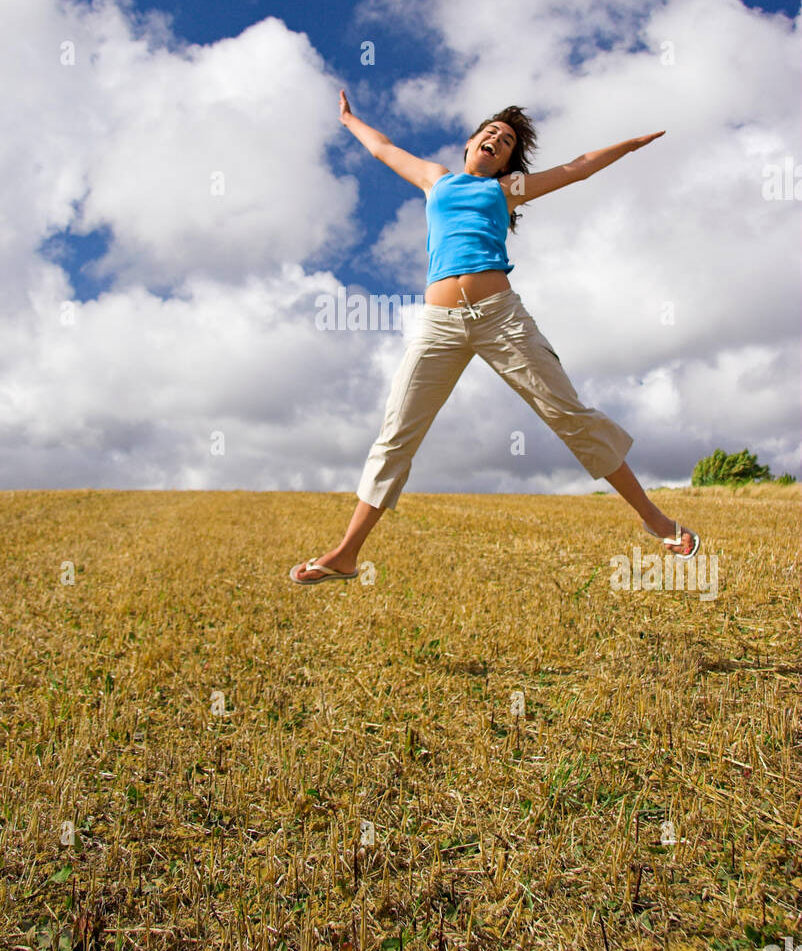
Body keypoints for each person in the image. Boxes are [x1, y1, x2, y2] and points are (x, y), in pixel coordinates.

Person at [289, 91, 700, 584]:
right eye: (491, 134)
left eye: (506, 143)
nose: (497, 140)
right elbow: (383, 148)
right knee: (396, 434)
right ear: (470, 143)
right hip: (438, 327)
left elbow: (576, 168)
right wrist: (349, 119)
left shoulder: (508, 189)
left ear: (508, 162)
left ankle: (655, 519)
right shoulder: (435, 178)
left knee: (567, 413)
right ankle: (346, 555)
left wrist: (629, 145)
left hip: (500, 318)